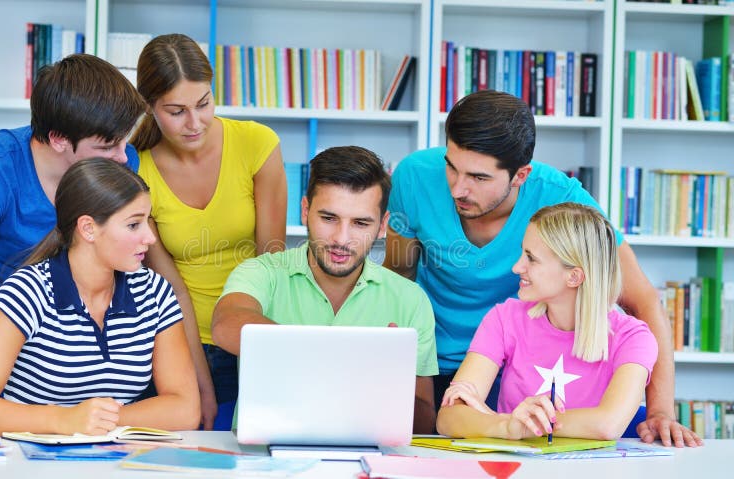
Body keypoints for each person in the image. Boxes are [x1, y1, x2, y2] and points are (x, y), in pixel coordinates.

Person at [384, 89, 701, 447]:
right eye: (451, 166)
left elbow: (642, 301)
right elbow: (398, 280)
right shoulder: (413, 177)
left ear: (520, 175)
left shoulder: (561, 198)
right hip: (439, 359)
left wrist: (660, 412)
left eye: (479, 178)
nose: (458, 188)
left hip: (519, 362)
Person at [0, 54, 146, 428]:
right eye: (107, 146)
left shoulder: (120, 158)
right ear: (59, 139)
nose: (123, 158)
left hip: (66, 361)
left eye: (123, 142)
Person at [0, 158, 200, 435]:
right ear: (88, 228)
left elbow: (185, 409)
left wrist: (99, 420)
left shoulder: (155, 292)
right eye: (133, 225)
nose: (150, 238)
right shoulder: (26, 292)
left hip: (114, 462)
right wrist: (63, 420)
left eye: (147, 222)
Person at [210, 146, 439, 434]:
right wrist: (343, 363)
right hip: (264, 456)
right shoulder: (263, 272)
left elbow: (423, 424)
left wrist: (389, 378)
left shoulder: (409, 299)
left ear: (382, 226)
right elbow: (226, 324)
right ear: (305, 211)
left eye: (360, 223)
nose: (341, 239)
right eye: (329, 218)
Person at [130, 33, 287, 430]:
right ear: (149, 107)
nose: (195, 123)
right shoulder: (135, 166)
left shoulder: (257, 143)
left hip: (252, 334)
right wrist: (200, 384)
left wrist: (263, 351)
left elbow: (271, 262)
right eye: (176, 111)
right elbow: (171, 289)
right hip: (175, 342)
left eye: (203, 103)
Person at [436, 203, 657, 441]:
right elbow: (448, 418)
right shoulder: (504, 318)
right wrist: (508, 425)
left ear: (574, 276)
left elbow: (607, 424)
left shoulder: (633, 338)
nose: (516, 267)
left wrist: (511, 423)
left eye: (531, 258)